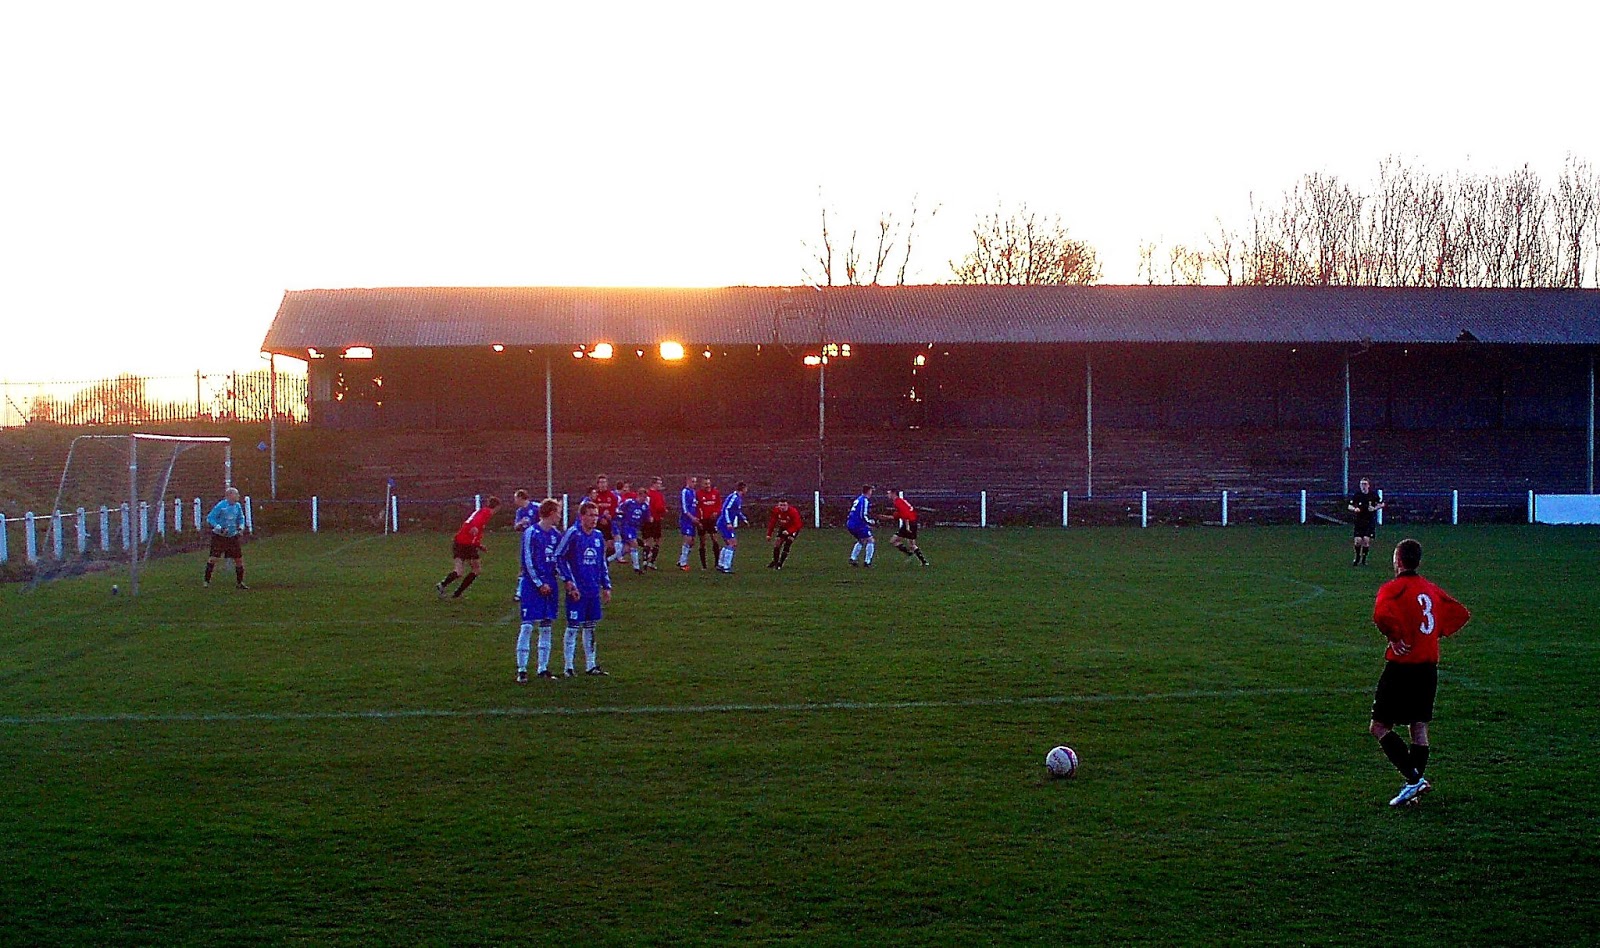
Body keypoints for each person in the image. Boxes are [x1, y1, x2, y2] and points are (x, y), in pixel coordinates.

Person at [1368, 538, 1471, 807]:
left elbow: (1380, 615)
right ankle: (1413, 787)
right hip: (1428, 667)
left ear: (1398, 560)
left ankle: (1414, 780)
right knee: (1419, 726)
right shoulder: (1431, 589)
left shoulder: (1393, 589)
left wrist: (1395, 636)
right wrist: (1436, 632)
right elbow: (1460, 613)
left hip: (1402, 667)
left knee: (1379, 726)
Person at [554, 500, 613, 676]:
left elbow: (601, 562)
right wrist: (568, 581)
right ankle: (568, 667)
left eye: (596, 515)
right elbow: (559, 557)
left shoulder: (597, 536)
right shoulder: (573, 534)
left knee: (590, 626)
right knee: (573, 627)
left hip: (592, 590)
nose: (594, 519)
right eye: (591, 515)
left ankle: (591, 665)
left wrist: (606, 586)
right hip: (577, 590)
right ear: (582, 516)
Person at [515, 498, 564, 682]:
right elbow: (527, 561)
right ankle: (522, 669)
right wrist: (538, 583)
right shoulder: (531, 533)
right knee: (527, 626)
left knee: (546, 626)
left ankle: (543, 668)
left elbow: (559, 560)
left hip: (550, 585)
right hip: (532, 586)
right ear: (551, 513)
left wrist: (564, 579)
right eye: (558, 512)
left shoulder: (556, 535)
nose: (559, 515)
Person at [437, 495, 501, 598]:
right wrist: (474, 527)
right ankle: (457, 593)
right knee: (476, 569)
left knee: (458, 571)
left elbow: (473, 524)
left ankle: (442, 584)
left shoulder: (481, 511)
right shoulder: (486, 512)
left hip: (458, 541)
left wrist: (479, 545)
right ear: (497, 507)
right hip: (467, 544)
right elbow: (475, 523)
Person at [203, 486, 248, 589]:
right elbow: (210, 518)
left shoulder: (237, 506)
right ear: (229, 495)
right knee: (213, 558)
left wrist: (241, 527)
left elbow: (241, 518)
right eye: (236, 494)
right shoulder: (221, 506)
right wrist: (219, 527)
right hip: (220, 537)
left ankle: (240, 583)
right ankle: (206, 581)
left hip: (232, 536)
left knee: (238, 559)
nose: (238, 496)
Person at [885, 488, 930, 566]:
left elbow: (905, 514)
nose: (887, 495)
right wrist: (886, 517)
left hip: (909, 523)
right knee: (911, 544)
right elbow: (900, 514)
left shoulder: (898, 502)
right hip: (912, 522)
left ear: (893, 493)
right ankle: (923, 561)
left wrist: (907, 526)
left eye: (889, 493)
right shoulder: (900, 501)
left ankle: (910, 554)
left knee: (894, 541)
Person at [1347, 477, 1385, 566]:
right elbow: (1349, 506)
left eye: (1365, 484)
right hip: (1359, 521)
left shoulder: (1373, 495)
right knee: (1357, 540)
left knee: (1366, 540)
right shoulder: (1357, 495)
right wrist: (1354, 509)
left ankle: (1364, 559)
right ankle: (1357, 557)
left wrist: (1375, 508)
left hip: (1369, 521)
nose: (1363, 486)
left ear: (1368, 485)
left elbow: (1382, 504)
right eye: (1361, 484)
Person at [715, 481, 746, 573]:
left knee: (729, 544)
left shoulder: (738, 498)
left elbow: (737, 511)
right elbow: (725, 509)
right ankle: (726, 567)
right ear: (743, 489)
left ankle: (721, 564)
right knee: (733, 543)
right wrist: (728, 522)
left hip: (725, 523)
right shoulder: (734, 497)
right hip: (724, 524)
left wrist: (743, 518)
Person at [615, 489, 649, 574]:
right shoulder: (630, 502)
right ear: (639, 495)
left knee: (626, 549)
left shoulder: (644, 506)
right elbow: (619, 509)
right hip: (626, 526)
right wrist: (620, 518)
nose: (644, 499)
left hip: (634, 528)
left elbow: (646, 517)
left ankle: (607, 560)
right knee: (634, 543)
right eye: (643, 497)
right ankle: (636, 568)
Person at [766, 498, 803, 569]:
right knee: (777, 544)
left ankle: (780, 563)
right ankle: (775, 561)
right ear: (778, 505)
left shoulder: (793, 512)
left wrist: (789, 531)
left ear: (787, 505)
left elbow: (798, 524)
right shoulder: (776, 511)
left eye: (784, 505)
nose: (782, 507)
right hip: (783, 528)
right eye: (781, 505)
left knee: (788, 542)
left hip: (793, 528)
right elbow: (772, 522)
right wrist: (769, 534)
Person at [696, 476, 723, 570]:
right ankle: (704, 566)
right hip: (703, 520)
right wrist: (698, 519)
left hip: (712, 520)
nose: (707, 486)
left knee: (715, 540)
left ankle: (717, 563)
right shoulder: (698, 494)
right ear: (702, 485)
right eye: (705, 484)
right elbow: (696, 507)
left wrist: (716, 512)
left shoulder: (715, 493)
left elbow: (719, 505)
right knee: (702, 542)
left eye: (708, 483)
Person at [593, 474, 621, 562]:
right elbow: (592, 508)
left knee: (611, 545)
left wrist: (610, 516)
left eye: (604, 482)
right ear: (598, 484)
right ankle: (600, 561)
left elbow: (614, 508)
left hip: (608, 522)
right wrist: (601, 517)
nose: (603, 484)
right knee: (600, 543)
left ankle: (605, 560)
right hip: (597, 522)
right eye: (601, 482)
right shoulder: (595, 496)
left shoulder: (612, 496)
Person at [641, 476, 667, 570]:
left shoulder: (651, 494)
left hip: (650, 519)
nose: (660, 485)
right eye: (659, 483)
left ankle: (646, 560)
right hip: (654, 519)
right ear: (654, 484)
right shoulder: (653, 494)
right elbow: (657, 507)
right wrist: (663, 510)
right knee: (655, 541)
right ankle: (650, 562)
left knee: (648, 541)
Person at [846, 484, 875, 567]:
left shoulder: (858, 499)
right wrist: (869, 522)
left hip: (850, 523)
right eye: (871, 491)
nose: (871, 493)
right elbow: (863, 514)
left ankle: (853, 558)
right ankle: (867, 562)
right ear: (868, 491)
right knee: (871, 540)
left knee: (861, 540)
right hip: (857, 524)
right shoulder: (864, 500)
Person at [677, 475, 699, 571]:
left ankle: (681, 559)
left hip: (693, 520)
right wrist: (691, 517)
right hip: (686, 520)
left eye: (695, 482)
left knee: (692, 542)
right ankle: (683, 563)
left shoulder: (693, 492)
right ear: (688, 481)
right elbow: (684, 508)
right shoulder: (685, 492)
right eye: (693, 481)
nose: (694, 484)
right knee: (688, 540)